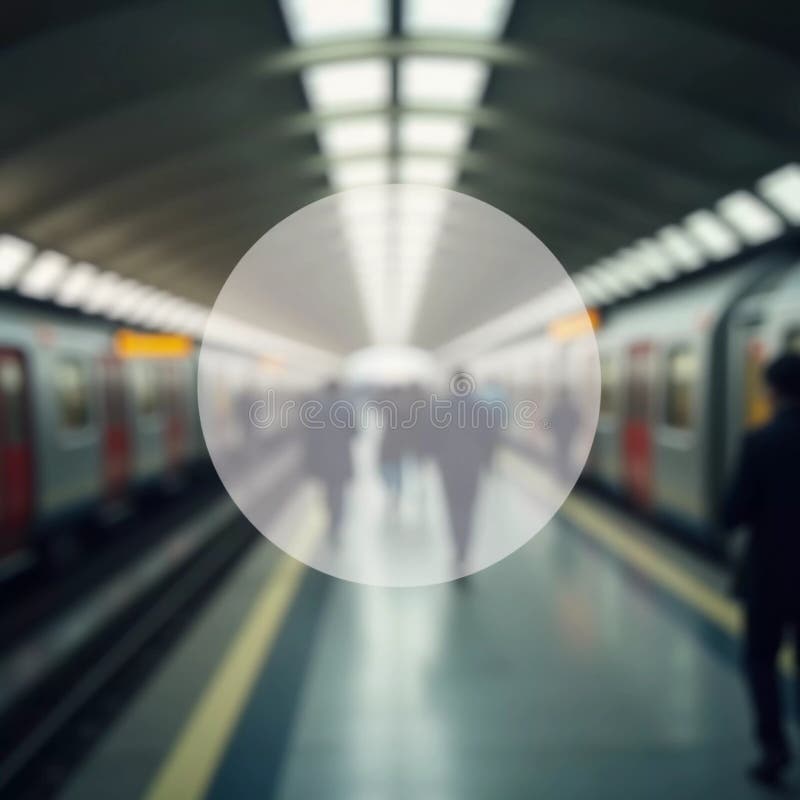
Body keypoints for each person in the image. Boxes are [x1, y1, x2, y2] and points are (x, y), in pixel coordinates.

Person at [724, 353, 800, 785]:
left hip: (770, 575)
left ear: (773, 391)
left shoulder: (760, 442)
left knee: (761, 660)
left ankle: (774, 750)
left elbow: (733, 512)